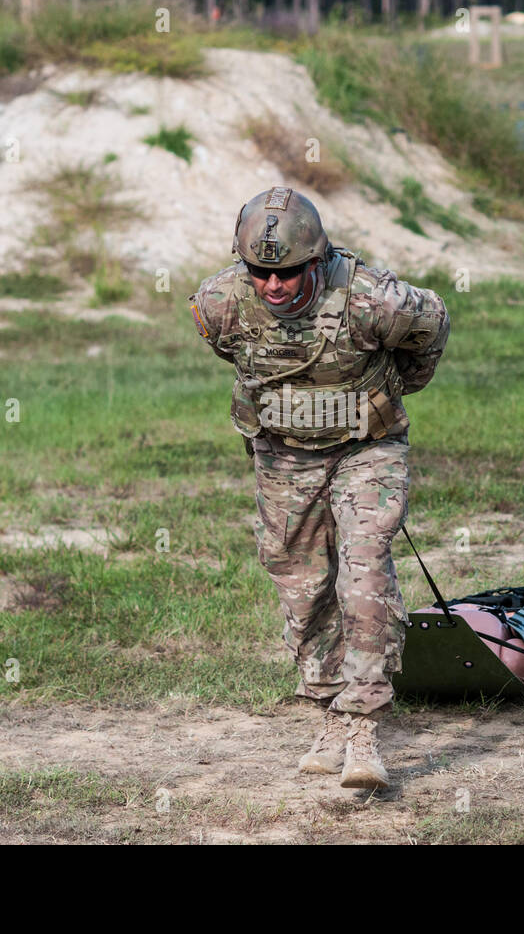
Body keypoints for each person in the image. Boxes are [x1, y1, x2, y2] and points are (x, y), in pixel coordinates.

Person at [188, 187, 450, 789]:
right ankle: (329, 709)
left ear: (317, 258)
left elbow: (431, 328)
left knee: (364, 570)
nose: (274, 286)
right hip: (283, 455)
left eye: (288, 273)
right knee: (302, 590)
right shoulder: (219, 303)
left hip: (367, 449)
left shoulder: (371, 299)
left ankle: (362, 728)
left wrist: (393, 391)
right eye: (261, 273)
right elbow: (238, 357)